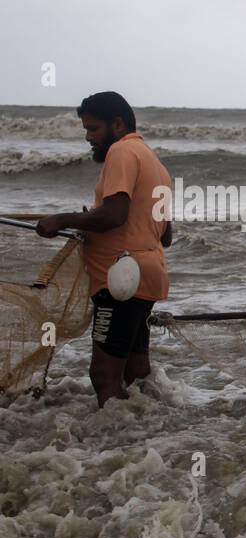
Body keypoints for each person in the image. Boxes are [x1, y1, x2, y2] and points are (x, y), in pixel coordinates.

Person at [35, 91, 173, 407]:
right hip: (149, 276)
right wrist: (88, 218)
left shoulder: (122, 153)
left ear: (118, 123)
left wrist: (61, 219)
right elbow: (165, 235)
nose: (88, 137)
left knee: (104, 375)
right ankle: (150, 435)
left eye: (93, 129)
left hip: (121, 280)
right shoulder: (155, 163)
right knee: (135, 370)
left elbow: (114, 214)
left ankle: (118, 448)